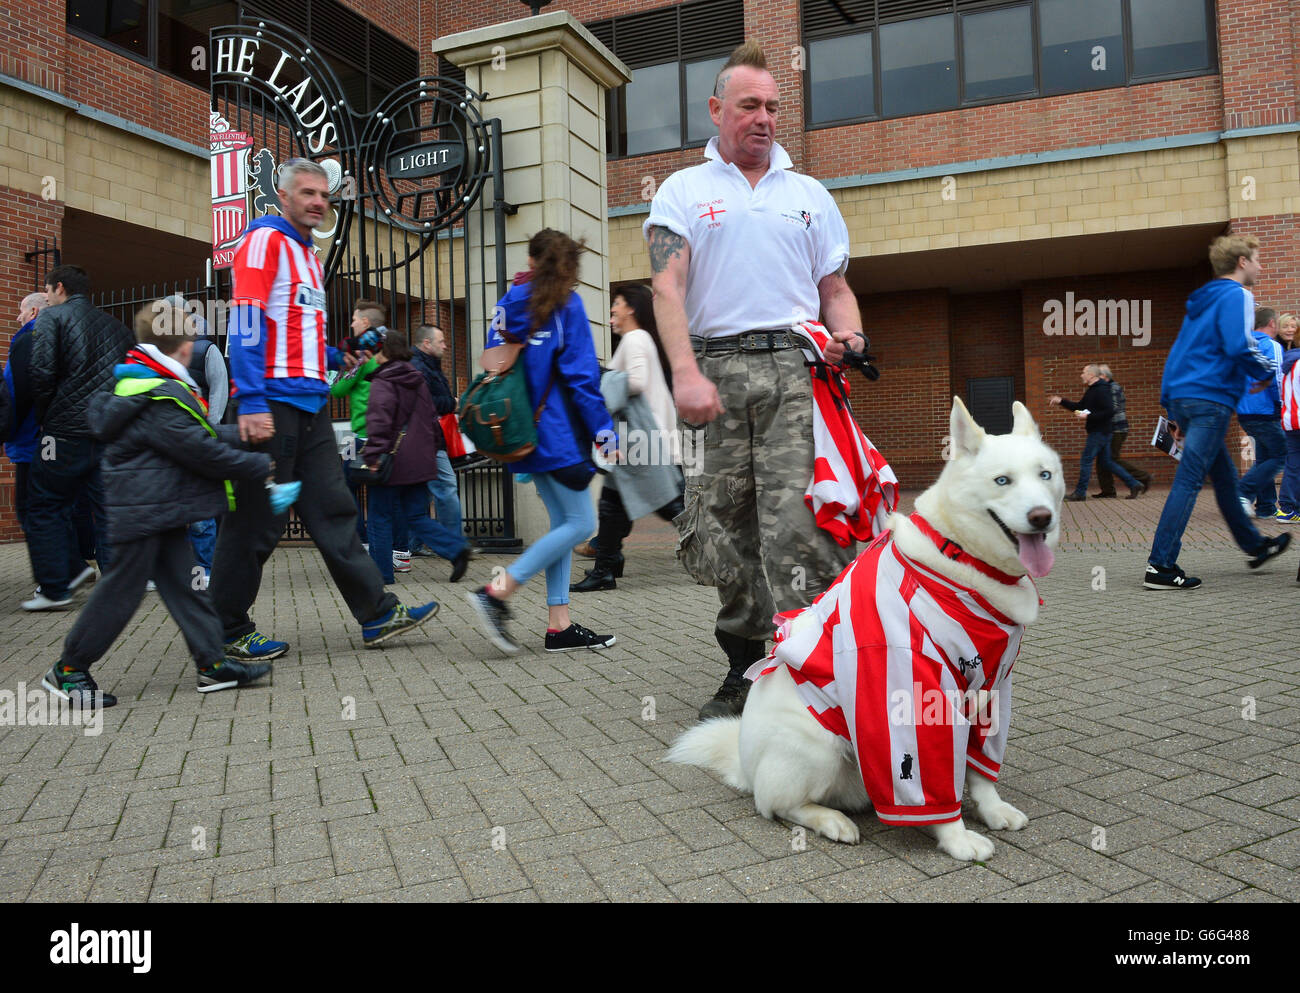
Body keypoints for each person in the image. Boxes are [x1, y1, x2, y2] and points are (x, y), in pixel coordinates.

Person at [645, 39, 868, 719]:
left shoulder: (810, 194)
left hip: (798, 372)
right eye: (749, 105)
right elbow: (667, 285)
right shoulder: (683, 191)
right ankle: (744, 661)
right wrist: (682, 371)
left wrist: (851, 333)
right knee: (718, 526)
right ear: (717, 110)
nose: (765, 117)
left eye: (773, 106)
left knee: (800, 523)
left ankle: (806, 661)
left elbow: (834, 288)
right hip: (715, 370)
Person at [208, 158, 436, 658]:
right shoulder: (263, 242)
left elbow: (297, 332)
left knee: (334, 512)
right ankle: (224, 631)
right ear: (283, 197)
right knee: (255, 520)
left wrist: (338, 355)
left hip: (308, 409)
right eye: (307, 192)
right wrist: (249, 399)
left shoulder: (307, 255)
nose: (317, 201)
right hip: (270, 406)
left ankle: (377, 613)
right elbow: (246, 325)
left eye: (323, 195)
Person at [40, 301, 278, 707]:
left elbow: (193, 436)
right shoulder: (160, 393)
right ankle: (68, 670)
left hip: (157, 507)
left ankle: (212, 664)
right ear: (185, 346)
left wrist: (241, 436)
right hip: (144, 509)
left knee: (186, 588)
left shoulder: (150, 380)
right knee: (121, 592)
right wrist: (260, 463)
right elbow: (199, 451)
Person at [465, 229, 617, 654]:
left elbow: (492, 362)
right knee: (582, 524)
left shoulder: (507, 303)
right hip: (556, 433)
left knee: (564, 525)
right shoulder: (566, 304)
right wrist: (604, 431)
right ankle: (495, 591)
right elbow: (583, 378)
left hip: (517, 430)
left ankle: (559, 625)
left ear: (530, 261)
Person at [1144, 234, 1290, 589]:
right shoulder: (1238, 294)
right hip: (1210, 399)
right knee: (1190, 480)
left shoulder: (1202, 301)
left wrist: (1173, 407)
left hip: (1187, 397)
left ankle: (1256, 547)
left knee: (1224, 480)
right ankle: (1160, 566)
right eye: (1256, 259)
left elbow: (1178, 353)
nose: (1260, 266)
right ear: (1241, 262)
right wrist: (1265, 371)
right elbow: (1239, 344)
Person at [25, 265, 135, 611]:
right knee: (107, 509)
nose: (46, 298)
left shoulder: (51, 319)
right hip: (107, 430)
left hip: (65, 431)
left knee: (44, 506)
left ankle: (56, 588)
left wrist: (47, 417)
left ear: (59, 288)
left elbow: (41, 374)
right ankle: (119, 584)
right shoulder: (118, 328)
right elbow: (129, 380)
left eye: (47, 292)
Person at [572, 283, 683, 592]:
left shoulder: (635, 339)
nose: (612, 312)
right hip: (644, 438)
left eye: (616, 305)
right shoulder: (640, 339)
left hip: (642, 438)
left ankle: (718, 555)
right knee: (614, 506)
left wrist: (600, 378)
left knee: (671, 505)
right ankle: (607, 566)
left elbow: (635, 382)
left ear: (631, 308)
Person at [359, 330, 470, 584]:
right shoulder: (417, 377)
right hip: (421, 457)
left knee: (379, 516)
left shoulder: (383, 380)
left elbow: (380, 421)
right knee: (416, 515)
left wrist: (374, 455)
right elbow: (431, 418)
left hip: (393, 459)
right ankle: (456, 548)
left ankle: (382, 575)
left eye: (374, 351)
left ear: (382, 352)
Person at [162, 293, 230, 585]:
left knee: (201, 510)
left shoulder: (204, 349)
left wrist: (210, 427)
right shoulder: (160, 352)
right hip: (168, 439)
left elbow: (219, 388)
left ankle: (207, 567)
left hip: (197, 437)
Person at [329, 301, 386, 553]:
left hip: (361, 433)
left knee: (344, 485)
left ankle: (361, 540)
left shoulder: (362, 352)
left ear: (365, 322)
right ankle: (399, 550)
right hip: (392, 434)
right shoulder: (391, 346)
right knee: (386, 495)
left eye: (354, 319)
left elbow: (338, 390)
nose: (351, 324)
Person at [1050, 363, 1145, 501]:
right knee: (1108, 462)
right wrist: (1061, 401)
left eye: (1083, 372)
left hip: (1099, 432)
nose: (1081, 375)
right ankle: (1134, 483)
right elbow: (1080, 407)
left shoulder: (1101, 389)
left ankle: (1080, 493)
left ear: (1091, 375)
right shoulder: (1093, 389)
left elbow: (1109, 411)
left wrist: (1088, 416)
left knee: (1086, 460)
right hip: (1103, 432)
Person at [408, 324, 464, 546]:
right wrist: (453, 403)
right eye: (440, 341)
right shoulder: (418, 367)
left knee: (420, 492)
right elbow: (426, 403)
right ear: (426, 343)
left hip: (426, 437)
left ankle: (412, 545)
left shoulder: (429, 364)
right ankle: (454, 544)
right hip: (425, 439)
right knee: (447, 487)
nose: (445, 345)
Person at [1236, 307, 1285, 519]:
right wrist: (1282, 405)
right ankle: (1242, 492)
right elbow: (1277, 379)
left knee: (1265, 458)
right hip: (1266, 411)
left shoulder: (1243, 347)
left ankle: (1266, 506)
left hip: (1245, 412)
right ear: (1272, 323)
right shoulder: (1271, 346)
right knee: (1282, 455)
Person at [1092, 365, 1153, 498]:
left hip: (1117, 429)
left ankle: (1142, 477)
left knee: (1112, 459)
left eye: (1098, 376)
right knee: (1102, 460)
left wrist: (1093, 413)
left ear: (1105, 377)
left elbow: (1111, 408)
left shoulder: (1113, 388)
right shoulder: (1106, 388)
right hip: (1109, 429)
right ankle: (1108, 490)